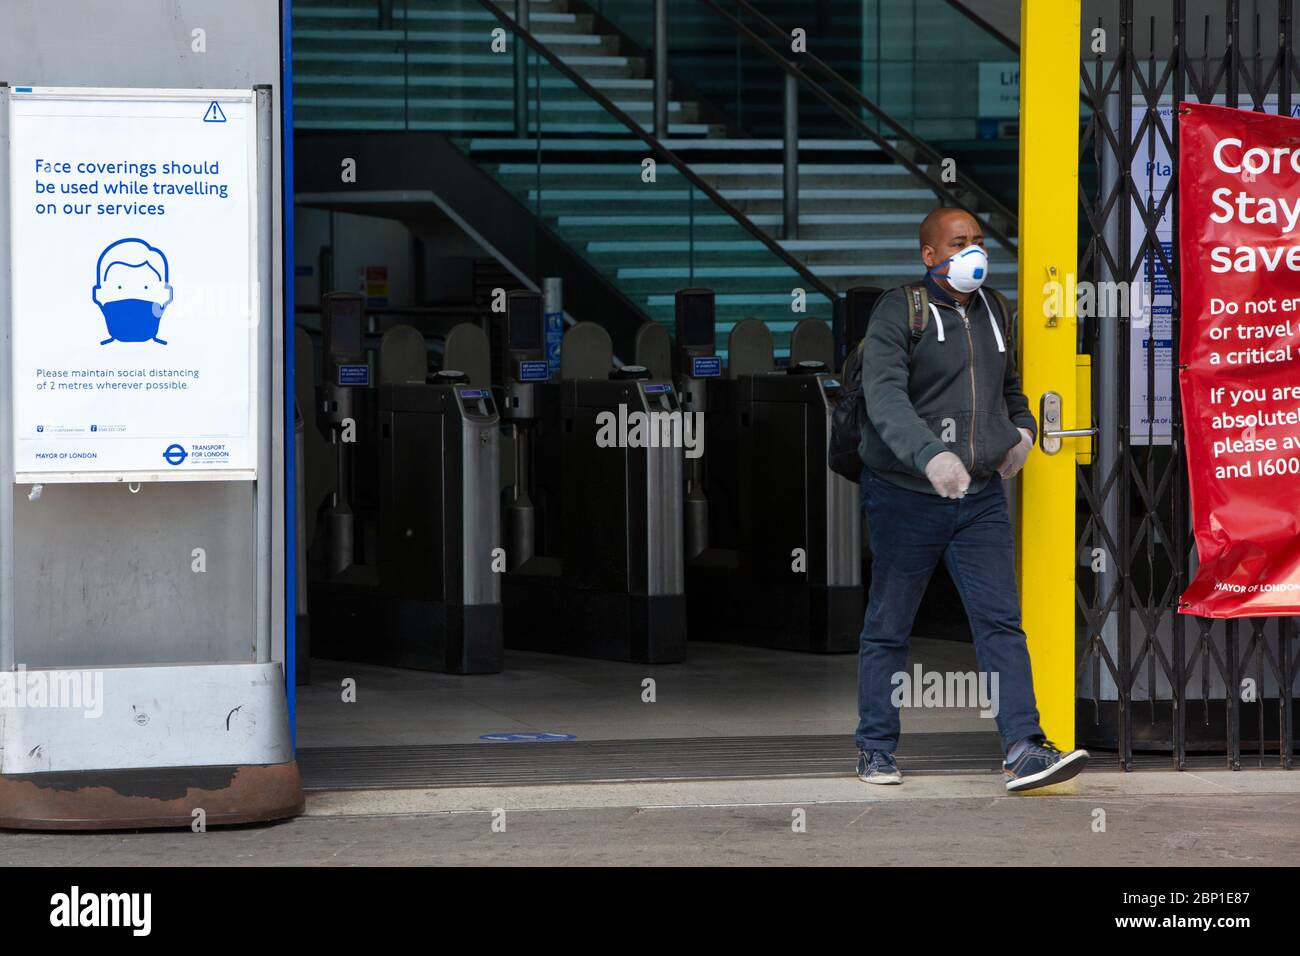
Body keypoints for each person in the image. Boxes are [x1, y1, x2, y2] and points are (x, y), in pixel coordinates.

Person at [854, 207, 1089, 793]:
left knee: (1001, 624)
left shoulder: (995, 309)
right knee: (889, 625)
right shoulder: (898, 311)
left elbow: (1010, 387)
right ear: (930, 255)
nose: (973, 251)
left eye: (979, 240)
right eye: (959, 243)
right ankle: (875, 748)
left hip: (980, 497)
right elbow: (884, 398)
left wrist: (1024, 431)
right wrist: (929, 455)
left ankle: (1024, 748)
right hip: (908, 496)